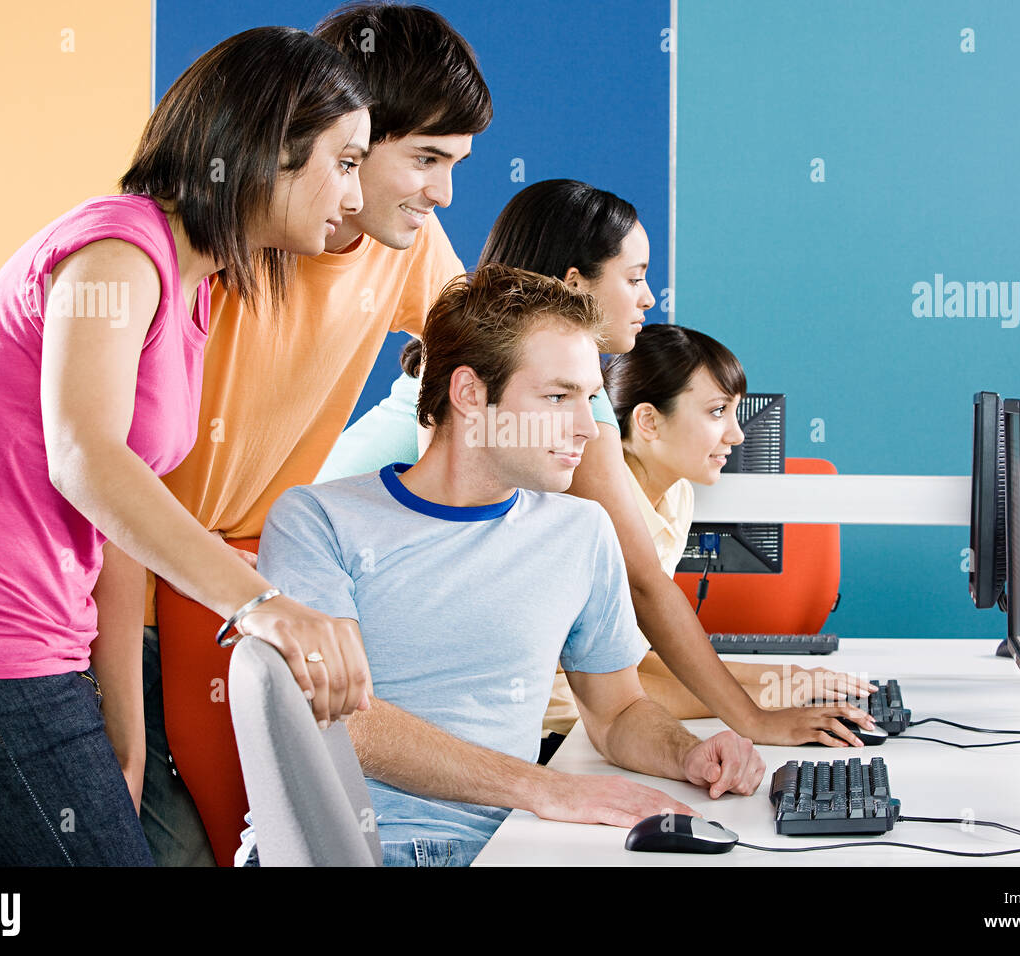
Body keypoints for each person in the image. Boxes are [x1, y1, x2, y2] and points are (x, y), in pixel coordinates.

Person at [0, 26, 375, 866]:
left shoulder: (195, 289)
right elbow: (85, 458)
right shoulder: (118, 249)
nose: (353, 197)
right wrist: (260, 602)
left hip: (36, 647)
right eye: (345, 161)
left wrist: (125, 733)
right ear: (267, 147)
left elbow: (125, 513)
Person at [320, 179, 875, 758]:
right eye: (633, 277)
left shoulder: (532, 381)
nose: (649, 299)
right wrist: (753, 718)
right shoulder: (492, 391)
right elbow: (642, 583)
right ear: (573, 284)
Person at [243, 264, 766, 867]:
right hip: (360, 847)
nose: (585, 428)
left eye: (589, 399)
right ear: (470, 394)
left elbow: (617, 710)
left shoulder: (581, 530)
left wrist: (687, 754)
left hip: (508, 846)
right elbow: (342, 719)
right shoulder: (316, 521)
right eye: (556, 396)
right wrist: (545, 788)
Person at [132, 2, 492, 865]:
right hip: (136, 589)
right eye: (428, 159)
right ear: (344, 140)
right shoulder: (219, 242)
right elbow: (106, 468)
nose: (444, 192)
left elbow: (489, 357)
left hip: (254, 587)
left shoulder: (404, 241)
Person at [604, 323, 866, 724]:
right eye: (716, 412)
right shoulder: (598, 516)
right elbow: (595, 688)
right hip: (558, 741)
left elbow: (635, 660)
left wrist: (786, 677)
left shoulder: (676, 495)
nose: (738, 435)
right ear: (648, 422)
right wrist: (766, 700)